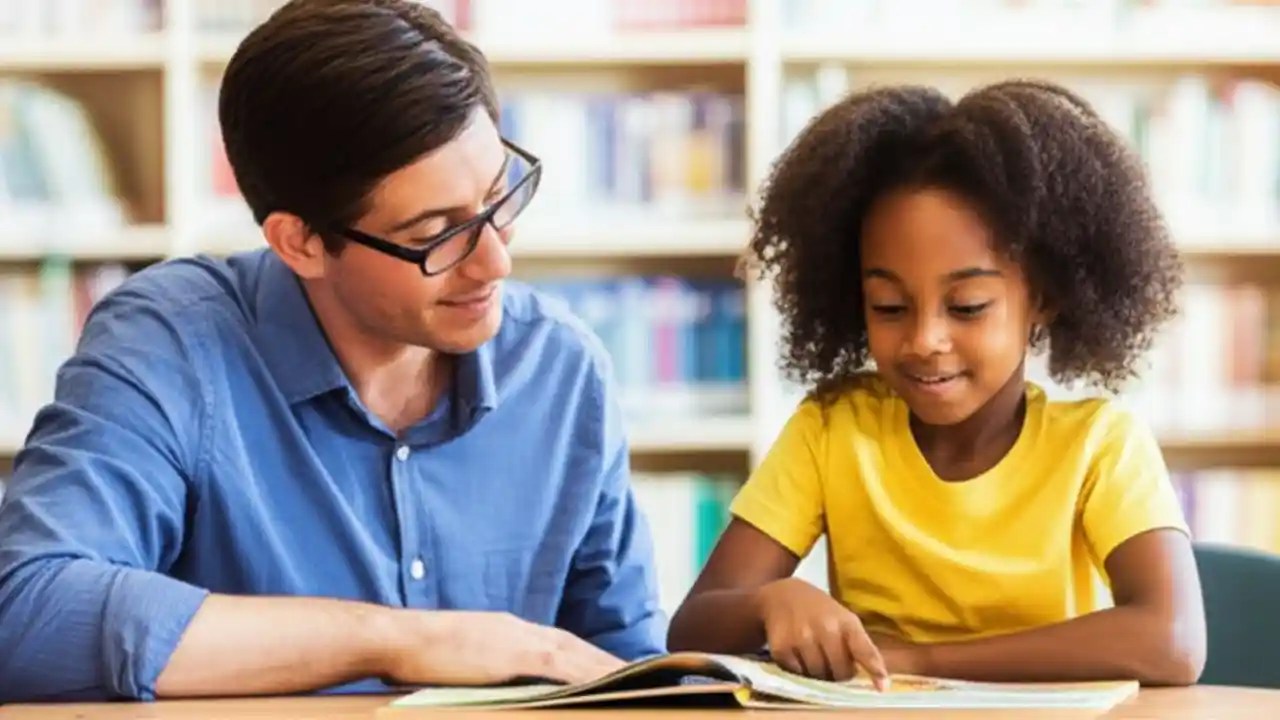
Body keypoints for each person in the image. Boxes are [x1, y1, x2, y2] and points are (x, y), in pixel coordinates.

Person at [0, 0, 666, 703]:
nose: (495, 262)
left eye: (499, 198)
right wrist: (400, 640)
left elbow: (632, 676)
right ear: (301, 243)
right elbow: (27, 616)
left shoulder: (561, 370)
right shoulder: (175, 345)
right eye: (437, 234)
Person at [667, 80, 1206, 688]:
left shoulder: (1099, 445)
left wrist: (920, 662)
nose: (925, 339)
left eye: (968, 306)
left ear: (1044, 299)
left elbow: (1173, 641)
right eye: (890, 306)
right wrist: (770, 601)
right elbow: (690, 630)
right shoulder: (832, 430)